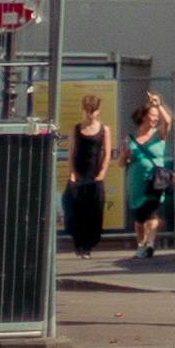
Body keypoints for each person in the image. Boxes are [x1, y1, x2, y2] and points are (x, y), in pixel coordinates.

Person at [126, 94, 175, 259]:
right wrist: (125, 155)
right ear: (144, 116)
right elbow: (120, 162)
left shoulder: (158, 134)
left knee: (152, 212)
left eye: (156, 116)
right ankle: (141, 245)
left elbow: (168, 121)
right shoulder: (131, 138)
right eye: (152, 115)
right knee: (139, 216)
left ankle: (151, 244)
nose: (155, 118)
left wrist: (159, 104)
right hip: (136, 180)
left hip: (156, 179)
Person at [65, 94, 113, 255]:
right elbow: (71, 152)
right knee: (76, 212)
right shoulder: (76, 129)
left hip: (95, 176)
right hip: (78, 174)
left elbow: (107, 153)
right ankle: (78, 244)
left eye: (92, 111)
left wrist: (102, 173)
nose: (89, 114)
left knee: (93, 212)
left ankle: (88, 246)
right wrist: (71, 174)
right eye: (86, 110)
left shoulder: (104, 129)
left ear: (97, 111)